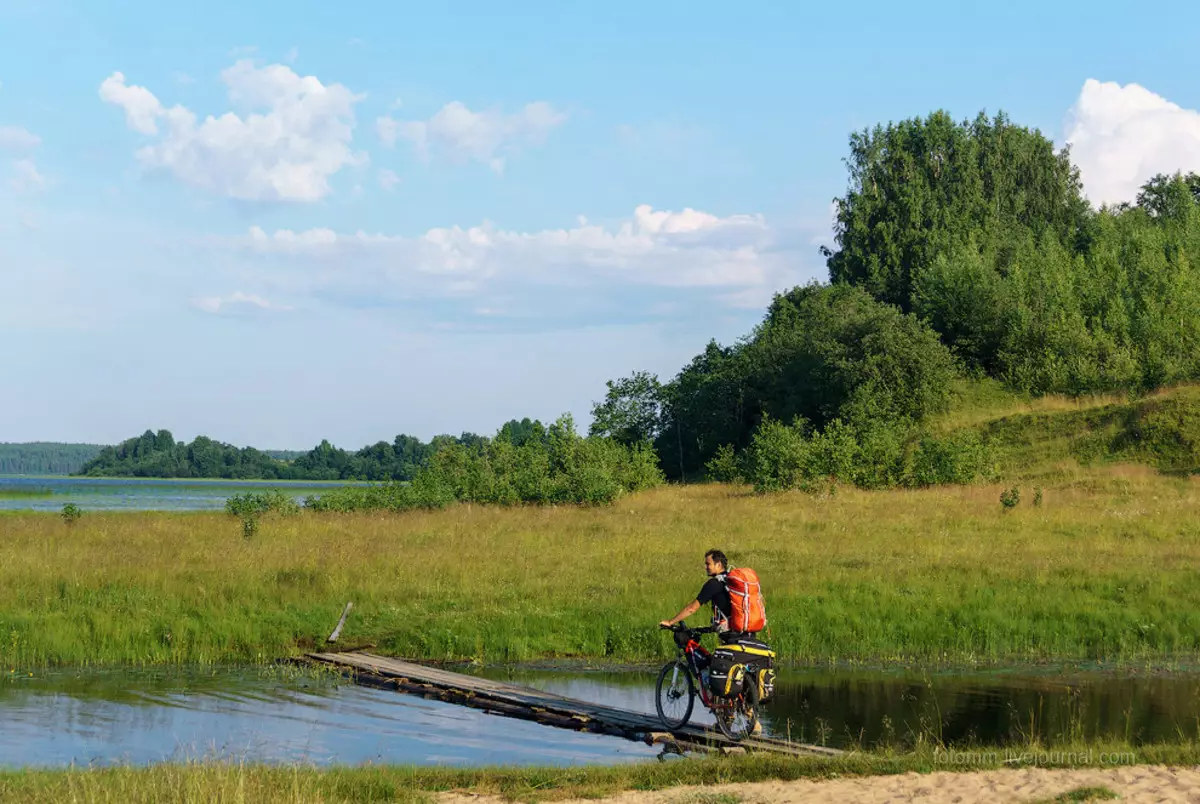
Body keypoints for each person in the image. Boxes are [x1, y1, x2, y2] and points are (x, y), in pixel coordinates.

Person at [659, 548, 742, 644]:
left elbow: (692, 608)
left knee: (719, 658)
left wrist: (670, 622)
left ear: (718, 565)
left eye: (708, 564)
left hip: (730, 634)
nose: (705, 567)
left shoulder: (714, 584)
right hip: (742, 629)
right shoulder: (730, 580)